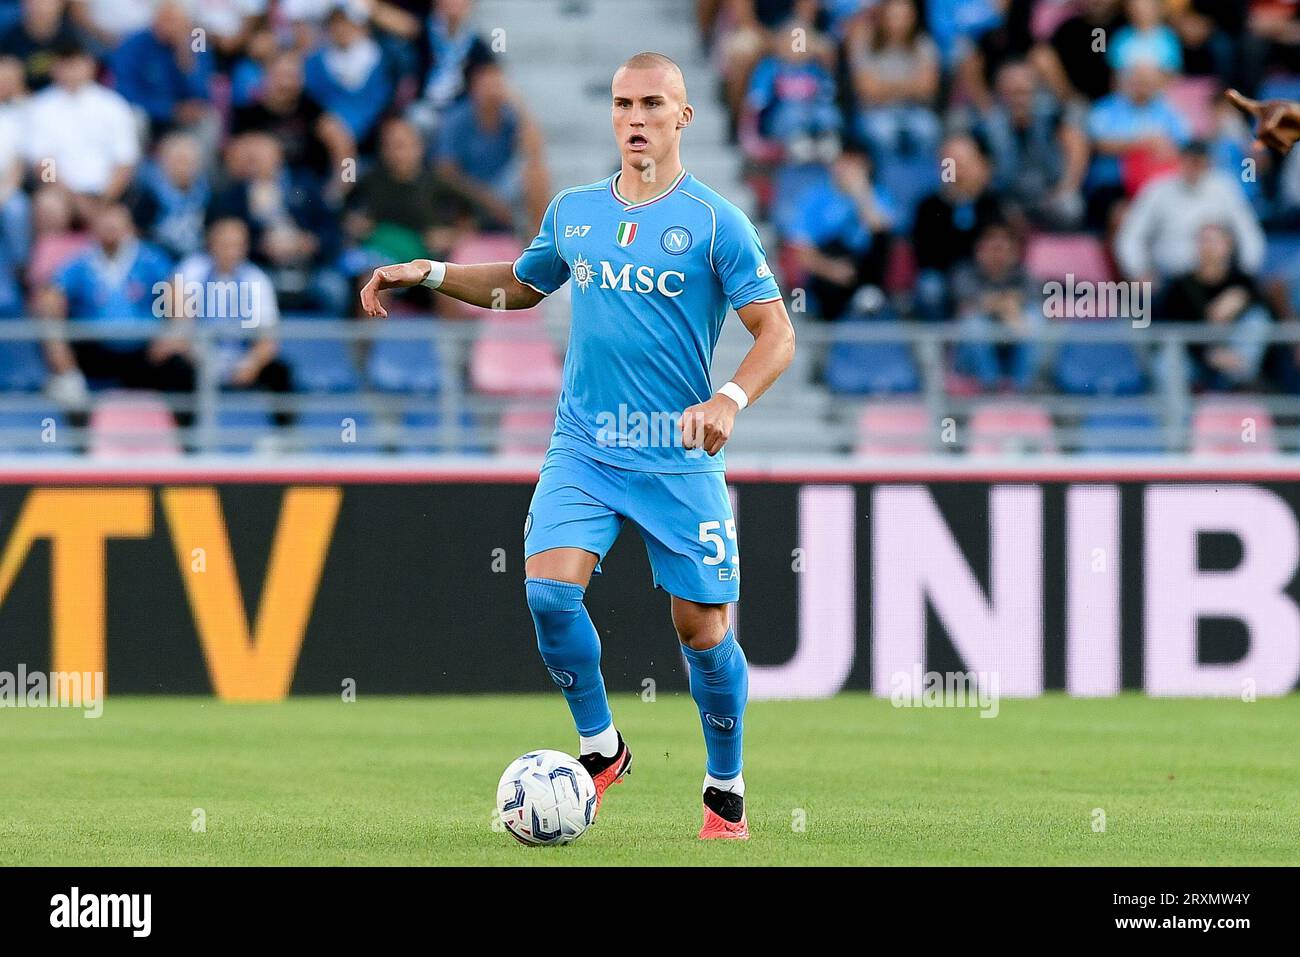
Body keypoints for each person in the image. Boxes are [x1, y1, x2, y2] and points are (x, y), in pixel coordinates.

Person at [360, 52, 796, 840]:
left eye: (653, 103)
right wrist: (430, 271)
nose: (636, 117)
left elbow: (776, 331)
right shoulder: (575, 212)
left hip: (676, 455)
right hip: (586, 447)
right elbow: (521, 286)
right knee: (548, 593)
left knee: (700, 631)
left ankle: (725, 784)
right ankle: (602, 748)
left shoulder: (713, 222)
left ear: (683, 118)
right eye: (624, 102)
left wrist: (728, 398)